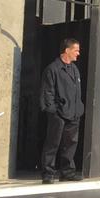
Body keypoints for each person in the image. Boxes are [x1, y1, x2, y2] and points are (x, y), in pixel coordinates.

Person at [39, 37, 84, 185]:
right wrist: (53, 111)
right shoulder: (52, 69)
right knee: (53, 143)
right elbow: (47, 93)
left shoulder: (74, 69)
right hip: (59, 114)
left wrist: (79, 108)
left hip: (74, 114)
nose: (78, 53)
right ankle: (48, 173)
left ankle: (67, 172)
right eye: (76, 50)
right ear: (67, 50)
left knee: (71, 143)